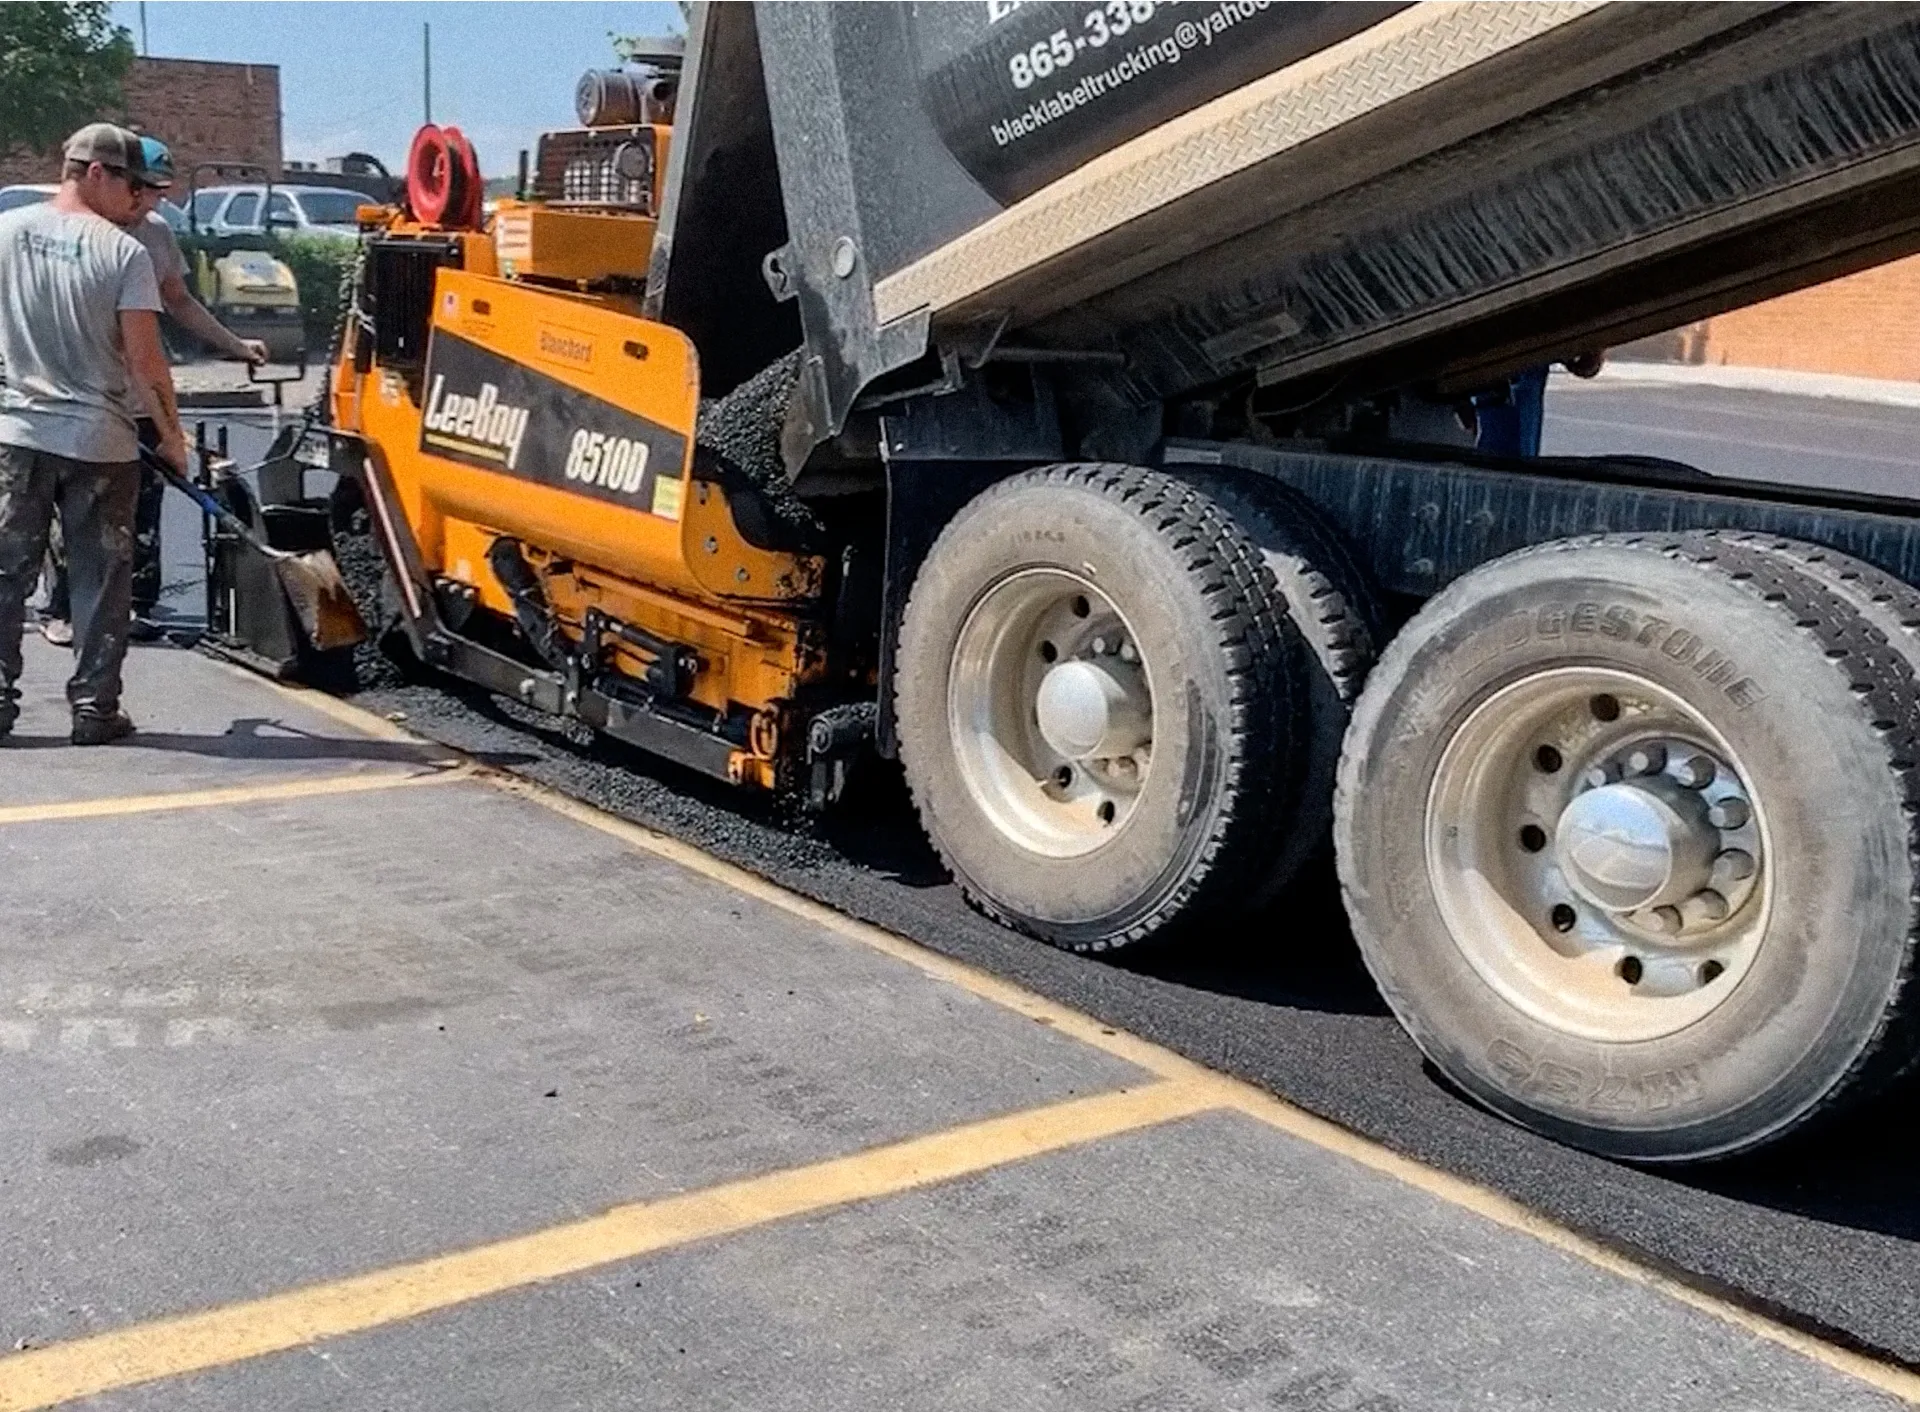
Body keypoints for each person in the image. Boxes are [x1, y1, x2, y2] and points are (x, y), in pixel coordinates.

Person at [39, 135, 267, 646]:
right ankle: (64, 607)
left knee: (141, 507)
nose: (151, 203)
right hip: (77, 396)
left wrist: (233, 344)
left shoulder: (154, 235)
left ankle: (134, 605)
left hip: (136, 395)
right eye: (145, 190)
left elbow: (178, 301)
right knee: (71, 508)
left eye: (160, 193)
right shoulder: (73, 234)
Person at [0, 122, 187, 745]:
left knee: (6, 573)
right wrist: (172, 440)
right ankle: (94, 709)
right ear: (96, 173)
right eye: (131, 185)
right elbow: (146, 364)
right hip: (100, 444)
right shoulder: (123, 253)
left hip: (18, 436)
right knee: (102, 579)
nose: (138, 200)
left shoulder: (5, 232)